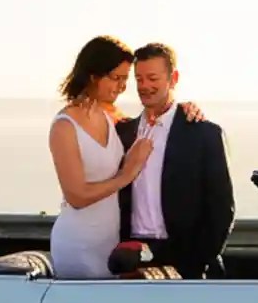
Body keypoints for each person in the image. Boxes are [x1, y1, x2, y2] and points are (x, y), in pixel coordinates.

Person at [47, 35, 207, 279]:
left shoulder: (113, 117)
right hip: (78, 243)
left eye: (125, 79)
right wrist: (127, 175)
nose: (123, 87)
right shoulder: (64, 126)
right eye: (117, 78)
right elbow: (76, 196)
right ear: (94, 76)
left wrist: (185, 109)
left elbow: (156, 118)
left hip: (111, 246)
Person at [116, 42, 235, 279]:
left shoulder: (204, 134)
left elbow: (222, 208)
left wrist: (199, 261)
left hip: (186, 263)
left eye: (152, 78)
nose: (145, 86)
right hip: (130, 259)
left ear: (174, 78)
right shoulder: (123, 133)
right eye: (139, 79)